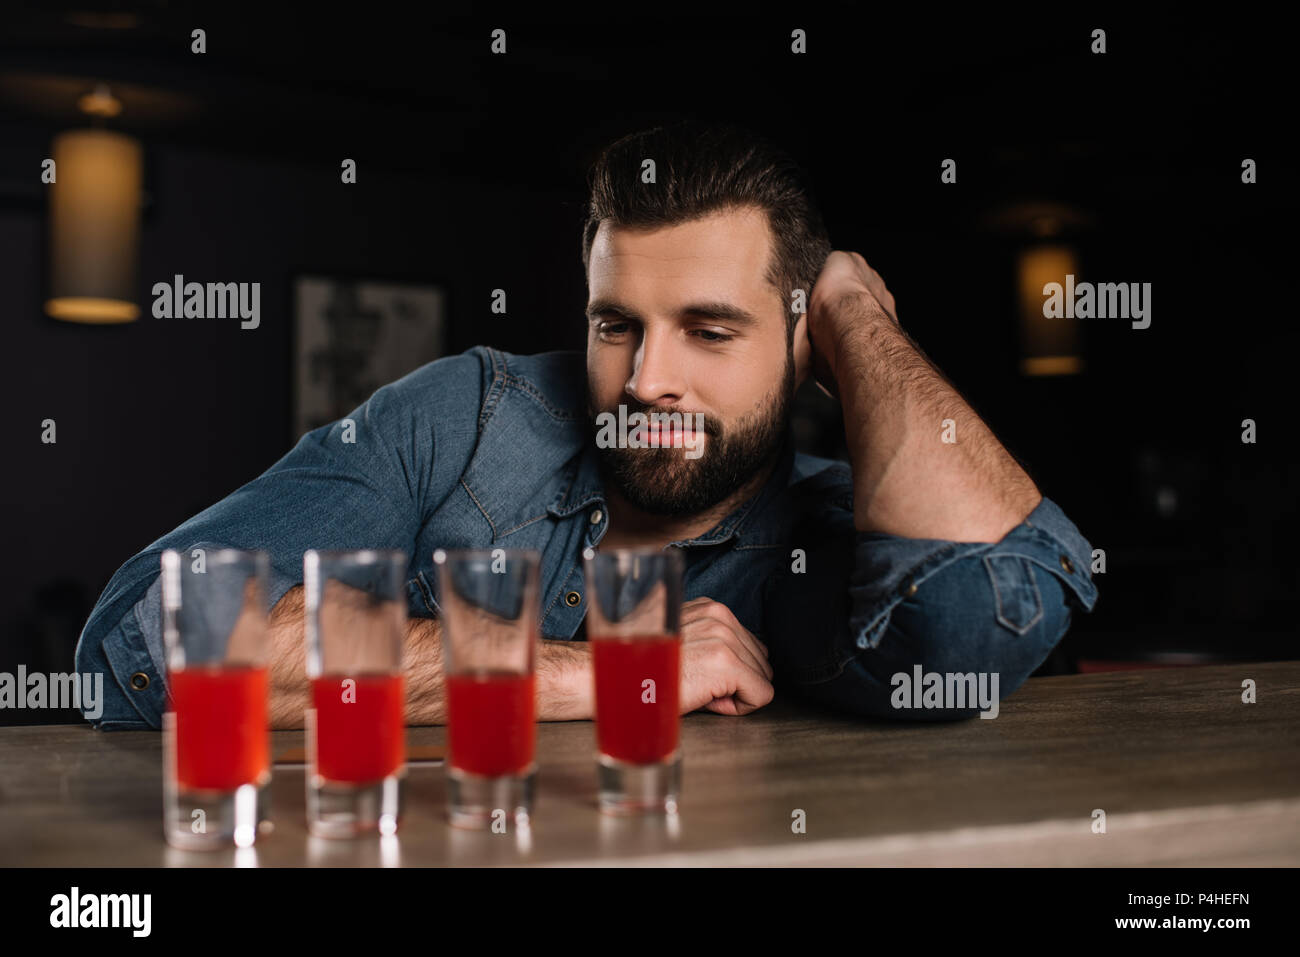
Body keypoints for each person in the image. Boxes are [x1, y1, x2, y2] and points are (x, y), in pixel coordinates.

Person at [75, 121, 1097, 731]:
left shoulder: (818, 531)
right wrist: (617, 673)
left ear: (798, 350)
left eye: (708, 330)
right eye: (618, 325)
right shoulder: (465, 416)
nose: (648, 380)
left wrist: (854, 313)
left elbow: (969, 627)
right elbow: (143, 644)